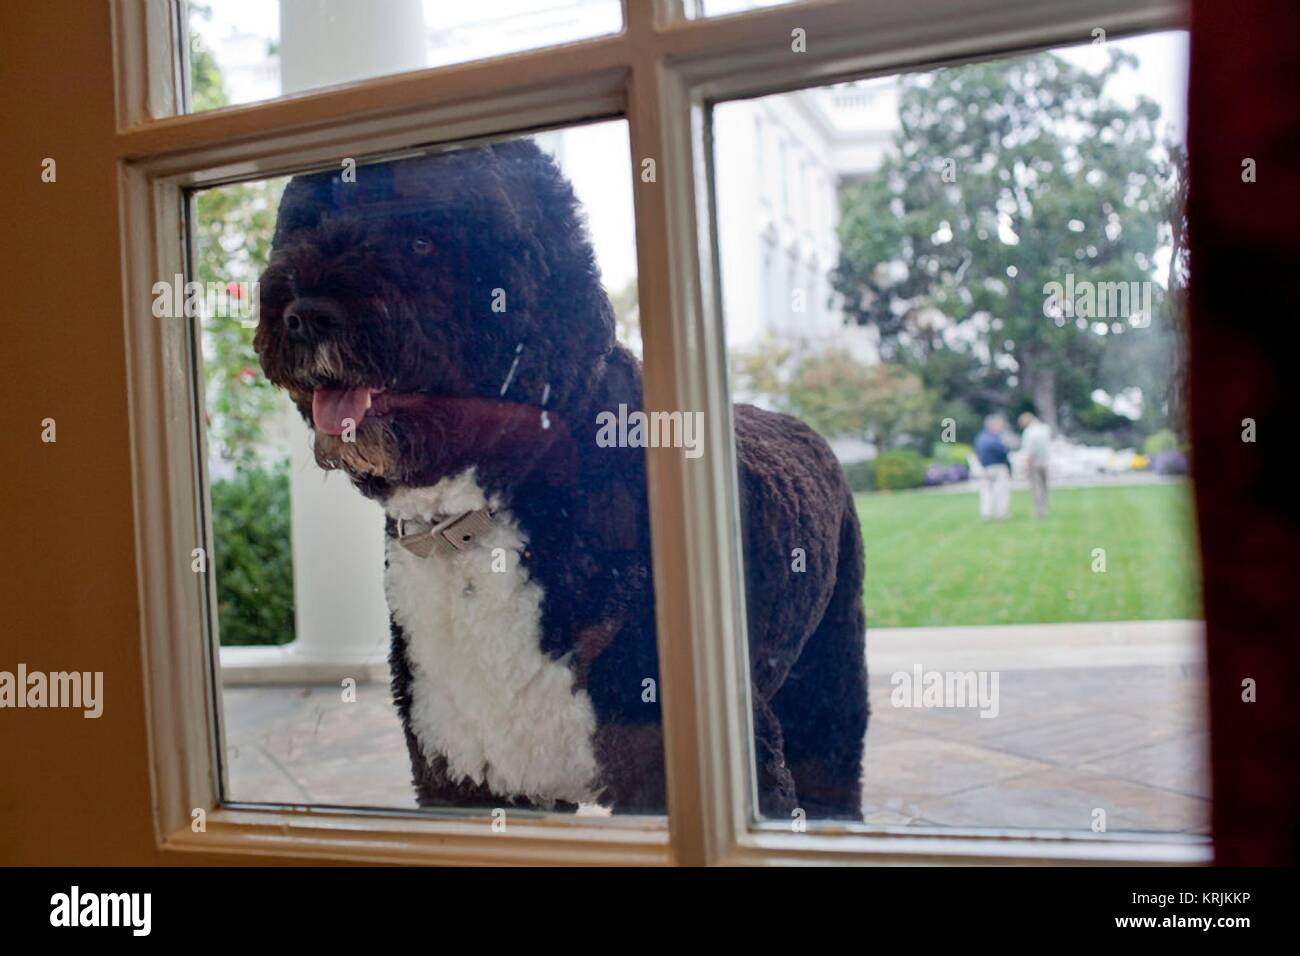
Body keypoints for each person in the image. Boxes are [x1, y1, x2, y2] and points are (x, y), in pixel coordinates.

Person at [973, 414, 1011, 520]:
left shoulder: (980, 437)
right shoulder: (993, 438)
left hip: (985, 468)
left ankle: (986, 513)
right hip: (998, 467)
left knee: (986, 492)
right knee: (1001, 491)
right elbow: (1004, 451)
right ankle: (1001, 513)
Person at [1019, 411, 1052, 519]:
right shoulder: (1045, 429)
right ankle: (1045, 509)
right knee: (1044, 488)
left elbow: (1029, 452)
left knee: (1036, 489)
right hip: (1045, 462)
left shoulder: (1029, 433)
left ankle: (1039, 512)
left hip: (1034, 464)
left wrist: (1027, 469)